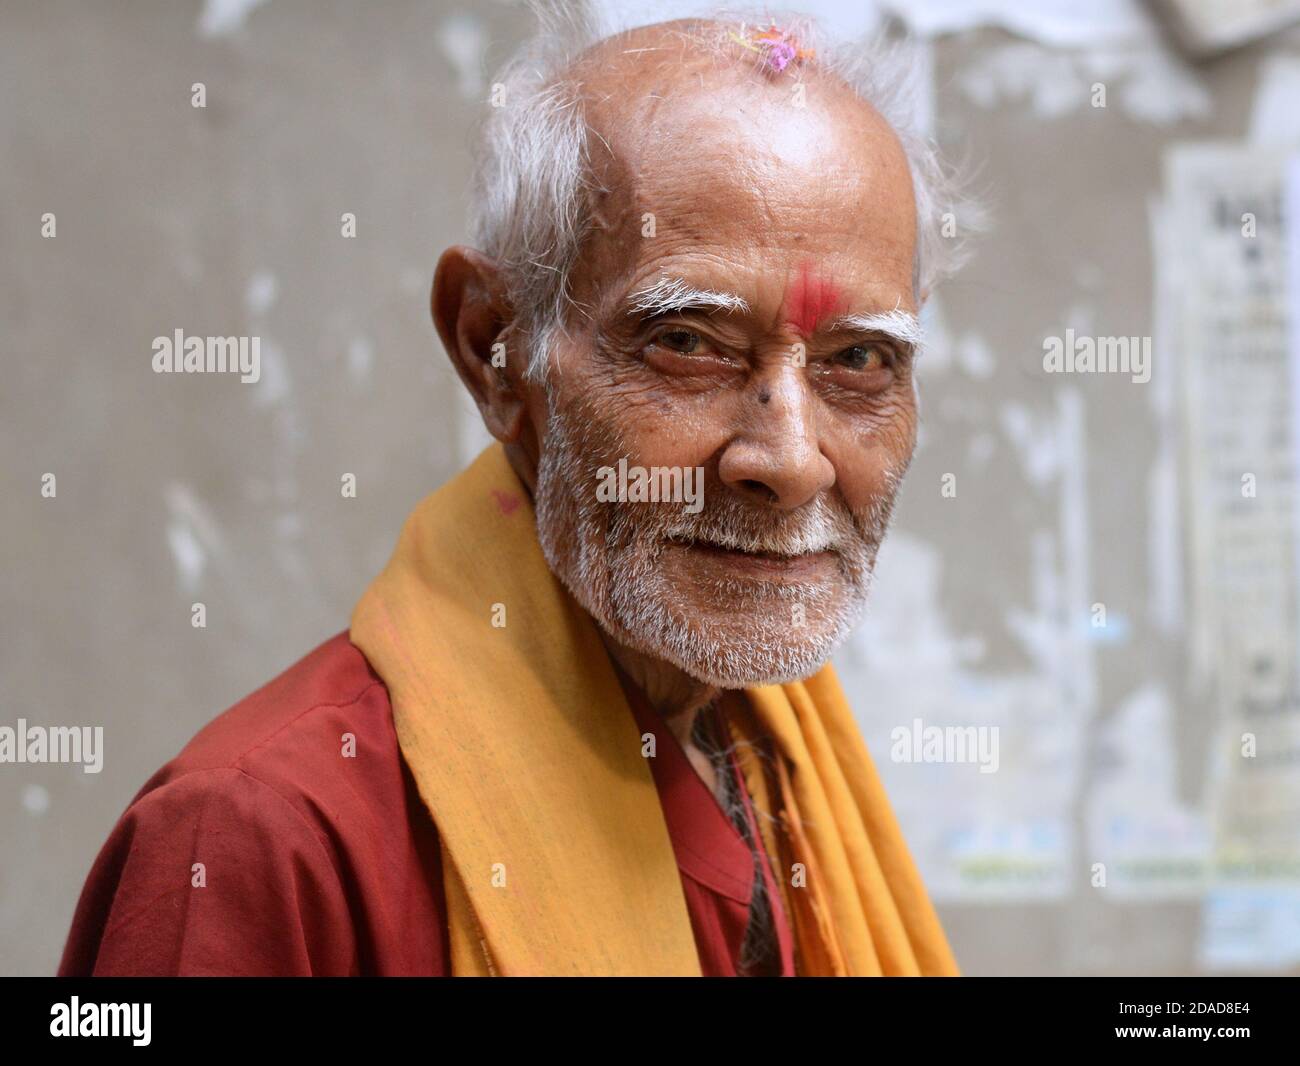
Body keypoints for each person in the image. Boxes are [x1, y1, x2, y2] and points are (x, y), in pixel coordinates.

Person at [60, 8, 974, 977]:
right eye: (687, 343)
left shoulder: (770, 751)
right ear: (493, 348)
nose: (789, 461)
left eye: (859, 358)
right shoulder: (262, 836)